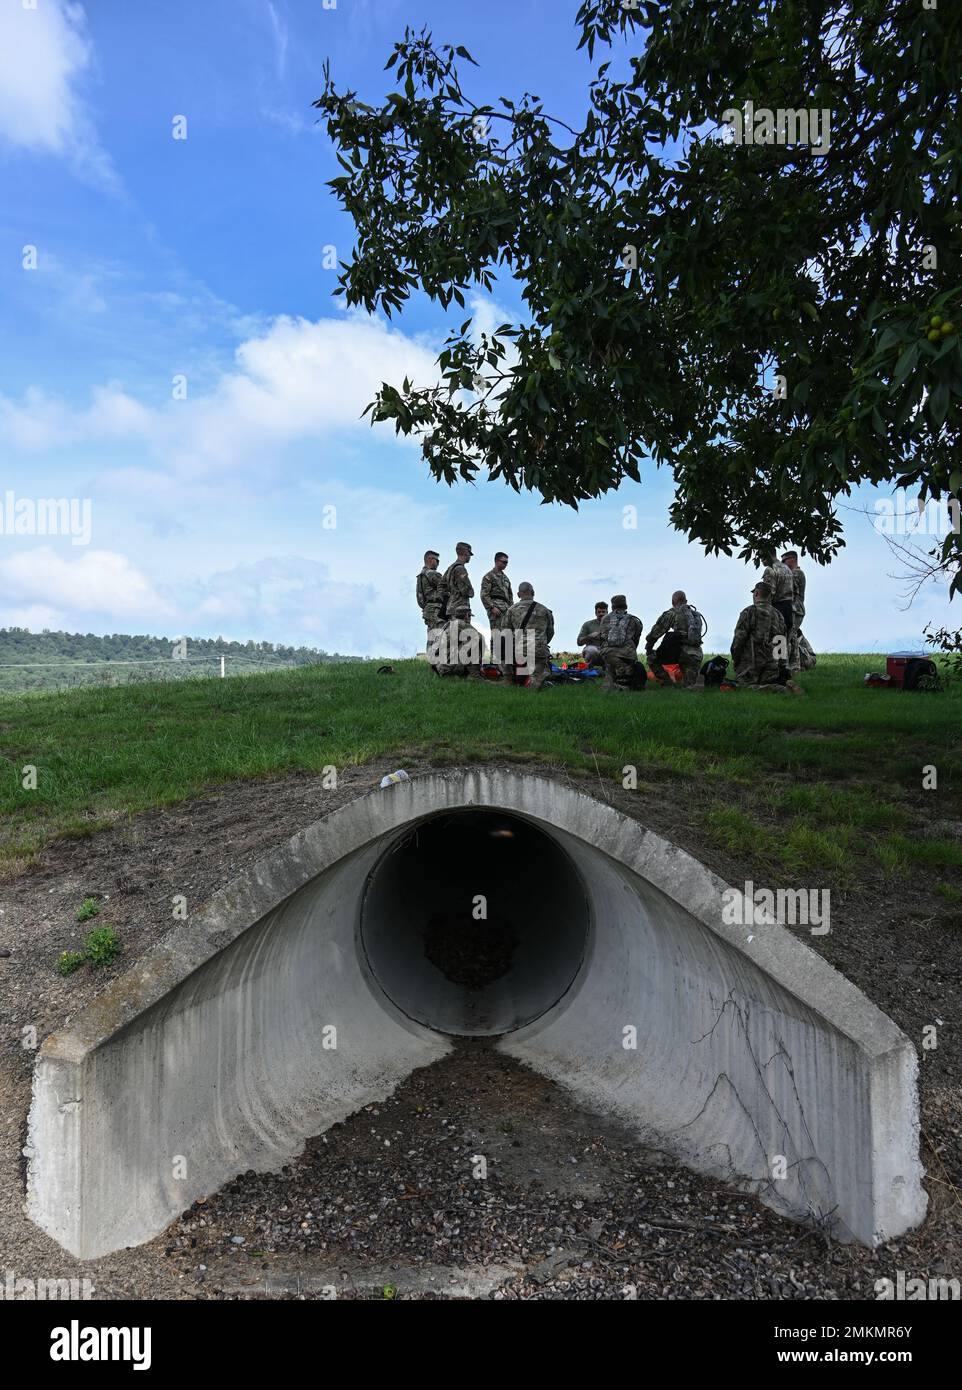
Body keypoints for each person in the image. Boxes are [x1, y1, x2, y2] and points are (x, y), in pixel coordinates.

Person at [731, 582, 788, 686]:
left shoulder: (749, 612)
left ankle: (766, 688)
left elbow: (739, 639)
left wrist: (735, 658)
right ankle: (776, 687)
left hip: (750, 666)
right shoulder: (778, 615)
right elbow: (782, 642)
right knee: (769, 684)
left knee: (743, 687)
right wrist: (782, 666)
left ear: (756, 594)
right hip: (772, 668)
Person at [646, 590, 705, 688]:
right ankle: (695, 683)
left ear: (673, 602)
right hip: (696, 654)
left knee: (651, 659)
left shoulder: (672, 613)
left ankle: (668, 684)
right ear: (686, 601)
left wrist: (649, 646)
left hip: (680, 653)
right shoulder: (696, 615)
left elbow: (657, 631)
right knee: (689, 685)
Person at [501, 582, 554, 690]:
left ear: (518, 594)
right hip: (539, 651)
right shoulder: (545, 610)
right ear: (533, 592)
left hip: (520, 652)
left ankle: (509, 679)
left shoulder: (511, 610)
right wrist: (542, 643)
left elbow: (505, 633)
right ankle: (538, 677)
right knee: (539, 672)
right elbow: (550, 633)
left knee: (500, 645)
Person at [599, 594, 643, 692]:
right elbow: (636, 640)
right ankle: (623, 681)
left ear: (612, 607)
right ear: (626, 606)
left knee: (609, 660)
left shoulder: (606, 619)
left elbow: (603, 637)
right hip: (629, 654)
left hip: (609, 653)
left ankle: (615, 683)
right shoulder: (634, 620)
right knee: (624, 666)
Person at [480, 552, 513, 674]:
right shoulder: (489, 577)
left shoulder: (506, 578)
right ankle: (495, 664)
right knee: (496, 635)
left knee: (507, 636)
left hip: (506, 609)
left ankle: (505, 664)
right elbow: (484, 595)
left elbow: (510, 596)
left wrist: (512, 610)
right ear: (496, 561)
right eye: (503, 562)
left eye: (507, 563)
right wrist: (491, 607)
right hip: (496, 610)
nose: (505, 565)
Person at [435, 604, 484, 680]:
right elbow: (480, 637)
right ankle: (475, 675)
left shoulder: (448, 624)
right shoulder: (460, 623)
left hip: (439, 666)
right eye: (470, 616)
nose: (470, 619)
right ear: (466, 616)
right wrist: (480, 665)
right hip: (447, 667)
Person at [781, 550, 807, 671]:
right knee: (791, 638)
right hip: (792, 610)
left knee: (785, 638)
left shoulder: (797, 573)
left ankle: (785, 666)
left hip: (795, 610)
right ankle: (794, 666)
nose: (783, 564)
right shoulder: (792, 573)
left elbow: (786, 587)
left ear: (792, 559)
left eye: (784, 560)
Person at [761, 553, 795, 640]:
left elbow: (768, 593)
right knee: (784, 642)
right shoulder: (787, 568)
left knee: (773, 643)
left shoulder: (770, 569)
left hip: (776, 609)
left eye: (763, 556)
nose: (761, 560)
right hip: (788, 608)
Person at [440, 541, 474, 622]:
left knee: (454, 633)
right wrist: (471, 591)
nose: (470, 556)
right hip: (461, 609)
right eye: (469, 553)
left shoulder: (450, 568)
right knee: (463, 633)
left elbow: (441, 586)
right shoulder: (460, 569)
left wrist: (448, 596)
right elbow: (467, 591)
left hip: (451, 608)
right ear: (465, 552)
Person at [416, 550, 443, 637]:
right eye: (437, 560)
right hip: (436, 610)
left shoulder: (421, 576)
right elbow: (447, 586)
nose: (438, 563)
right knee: (440, 637)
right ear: (430, 559)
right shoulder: (431, 574)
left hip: (428, 610)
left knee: (432, 637)